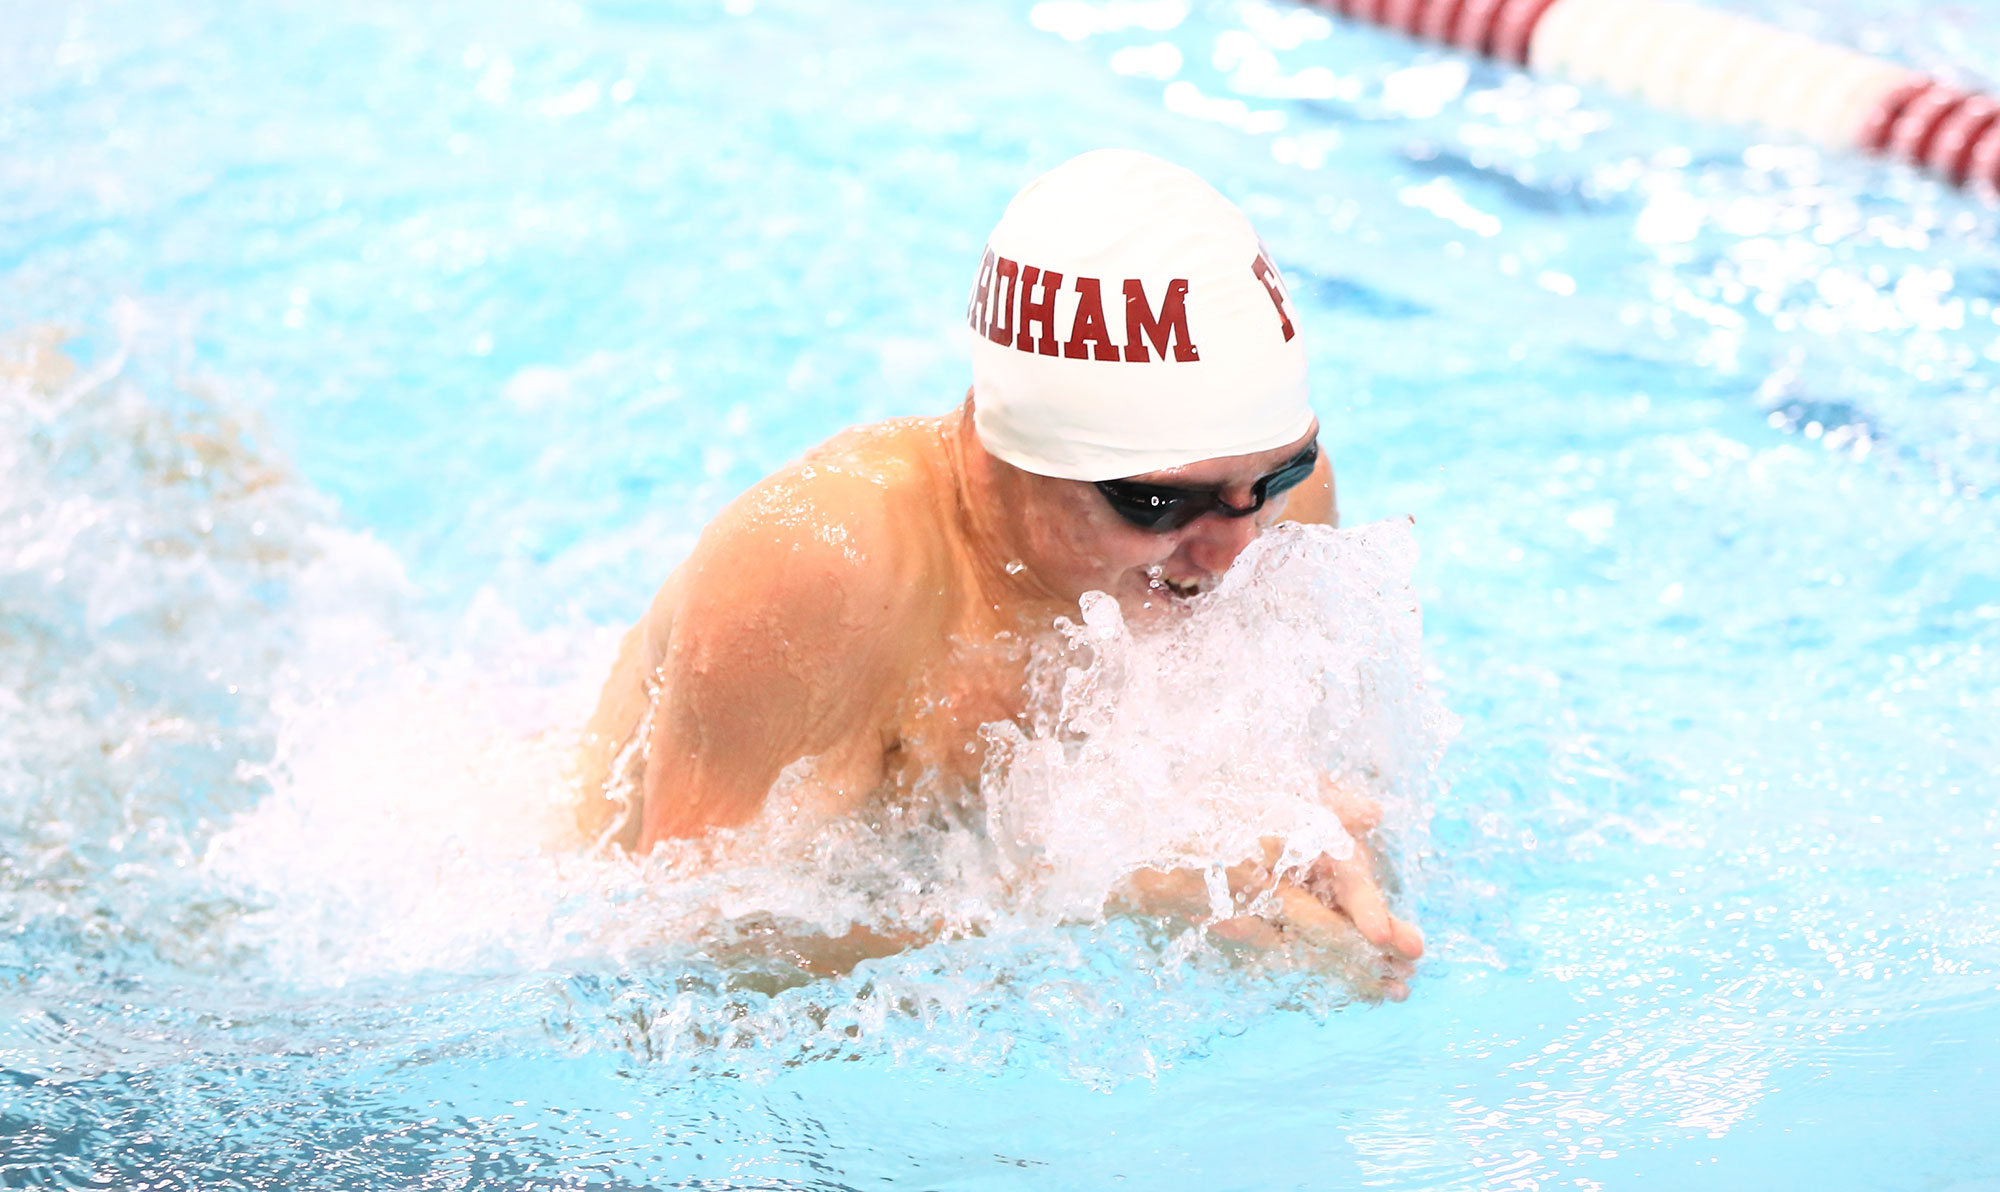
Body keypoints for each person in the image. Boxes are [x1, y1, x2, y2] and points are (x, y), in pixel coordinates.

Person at [575, 149, 1424, 995]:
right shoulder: (827, 569)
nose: (1235, 552)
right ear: (1013, 451)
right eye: (1158, 507)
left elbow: (1311, 800)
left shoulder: (1277, 509)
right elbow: (683, 950)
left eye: (1276, 475)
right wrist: (1109, 892)